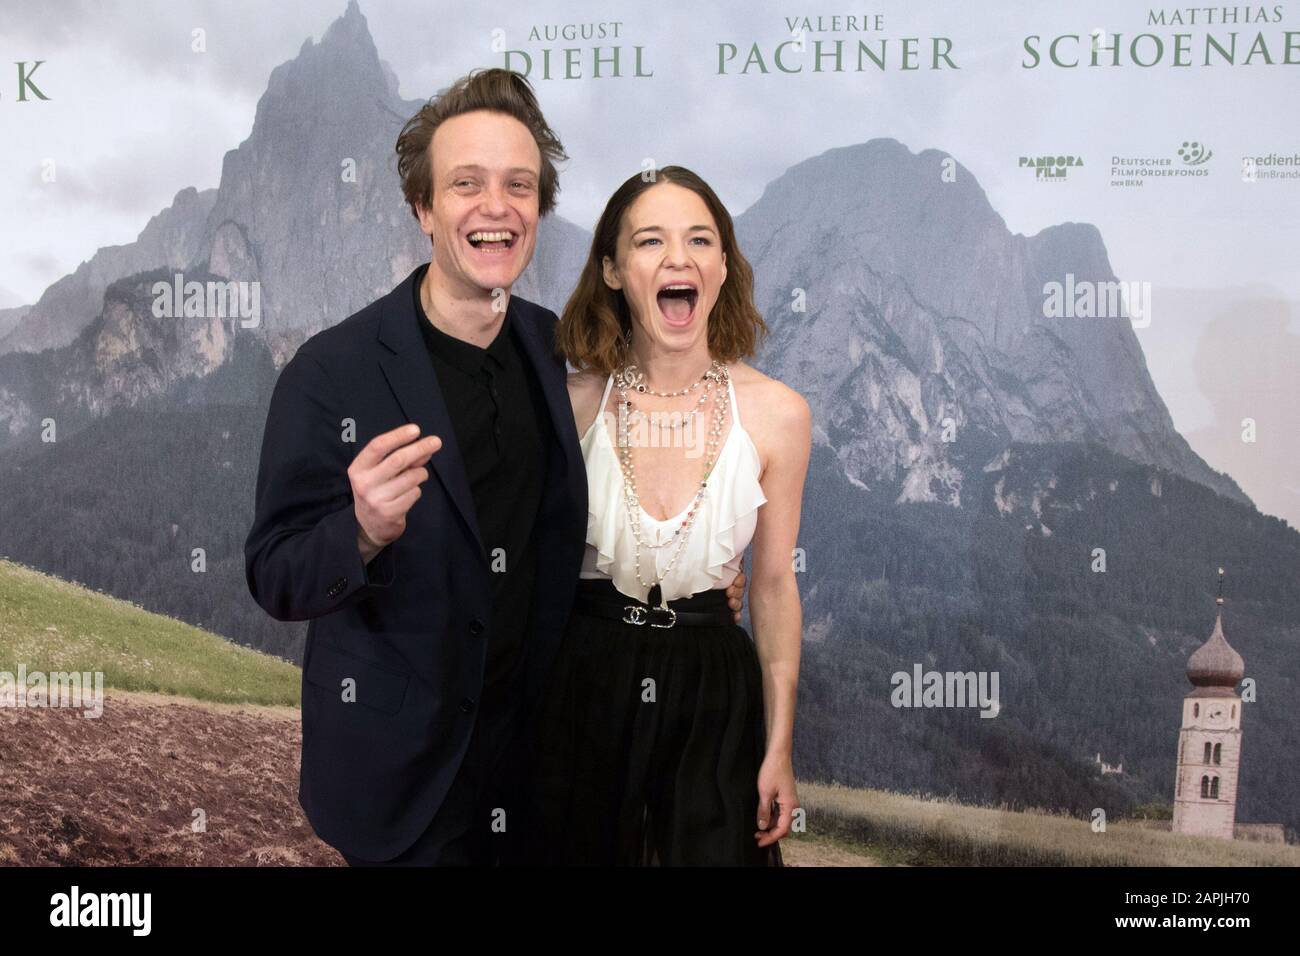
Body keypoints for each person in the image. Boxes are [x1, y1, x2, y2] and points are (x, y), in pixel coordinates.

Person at [243, 69, 747, 866]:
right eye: (465, 184)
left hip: (543, 772)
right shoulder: (330, 371)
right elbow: (273, 574)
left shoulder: (565, 357)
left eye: (518, 185)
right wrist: (361, 532)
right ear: (423, 208)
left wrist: (690, 570)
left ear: (538, 210)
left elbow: (628, 474)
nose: (495, 207)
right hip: (401, 785)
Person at [526, 166, 809, 865]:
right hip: (582, 681)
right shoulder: (572, 403)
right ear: (615, 271)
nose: (678, 258)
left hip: (715, 696)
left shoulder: (779, 415)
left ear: (721, 267)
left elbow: (772, 588)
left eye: (700, 240)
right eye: (650, 241)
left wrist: (778, 749)